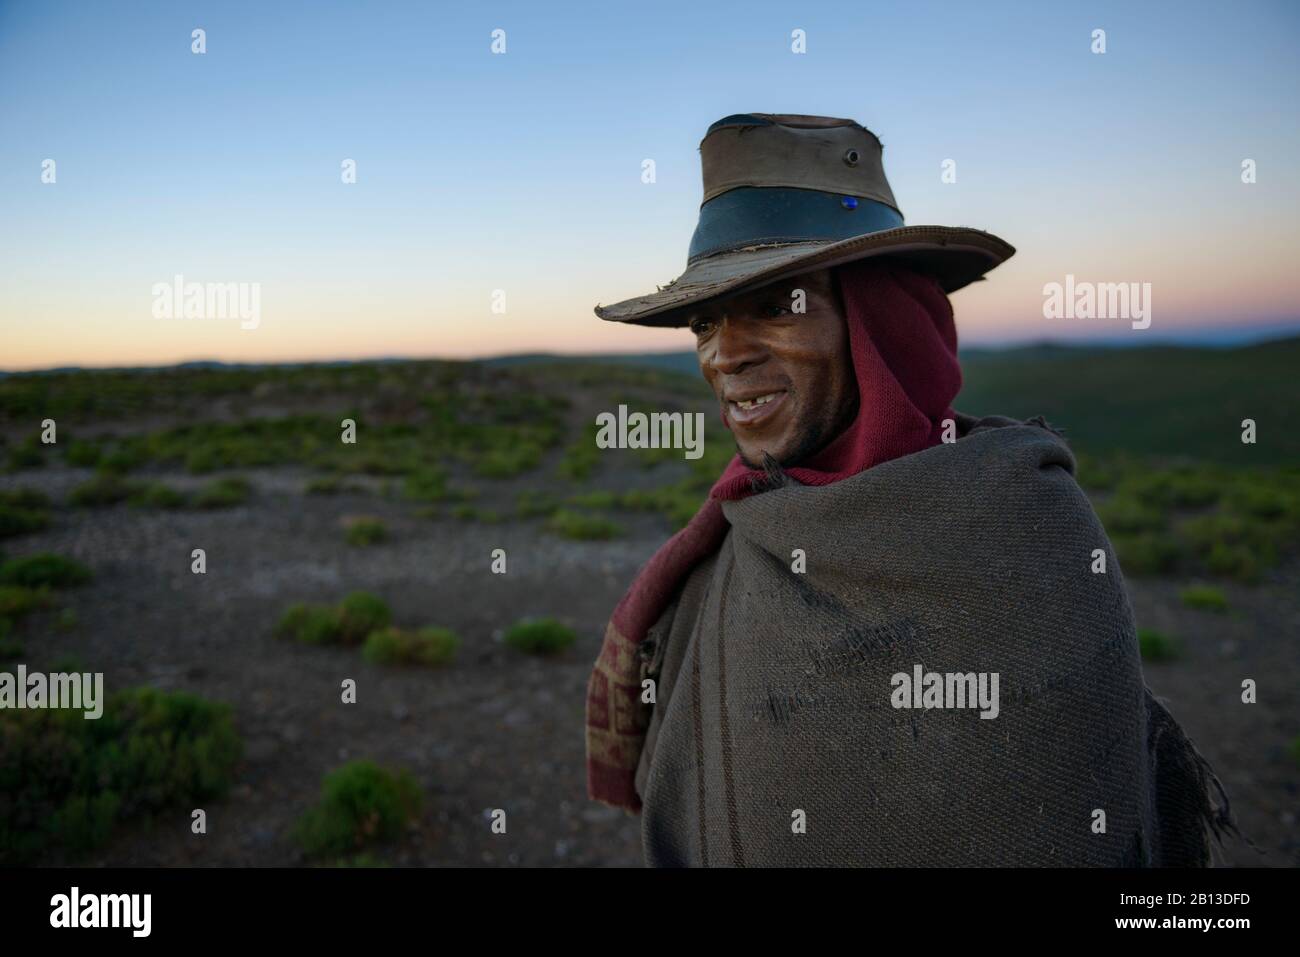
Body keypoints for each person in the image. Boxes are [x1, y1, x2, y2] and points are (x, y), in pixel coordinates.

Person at [584, 113, 1237, 867]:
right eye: (705, 323)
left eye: (774, 307)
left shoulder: (1029, 529)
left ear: (885, 322)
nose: (724, 355)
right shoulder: (733, 548)